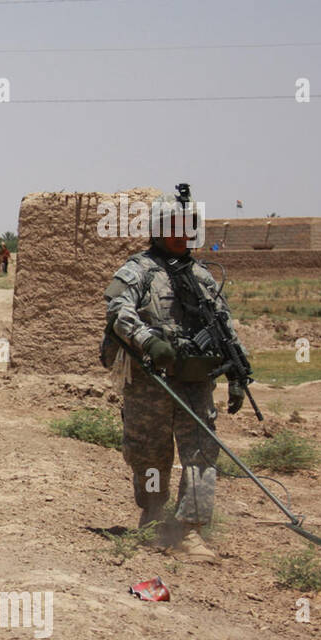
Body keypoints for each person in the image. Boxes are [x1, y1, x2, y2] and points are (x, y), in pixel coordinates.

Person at [104, 184, 247, 560]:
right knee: (150, 454)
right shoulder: (138, 271)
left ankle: (189, 531)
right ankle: (152, 516)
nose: (182, 234)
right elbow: (118, 312)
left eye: (188, 226)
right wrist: (148, 340)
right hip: (150, 379)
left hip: (195, 380)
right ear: (159, 228)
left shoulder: (202, 276)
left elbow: (225, 326)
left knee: (201, 453)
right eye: (175, 226)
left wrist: (237, 374)